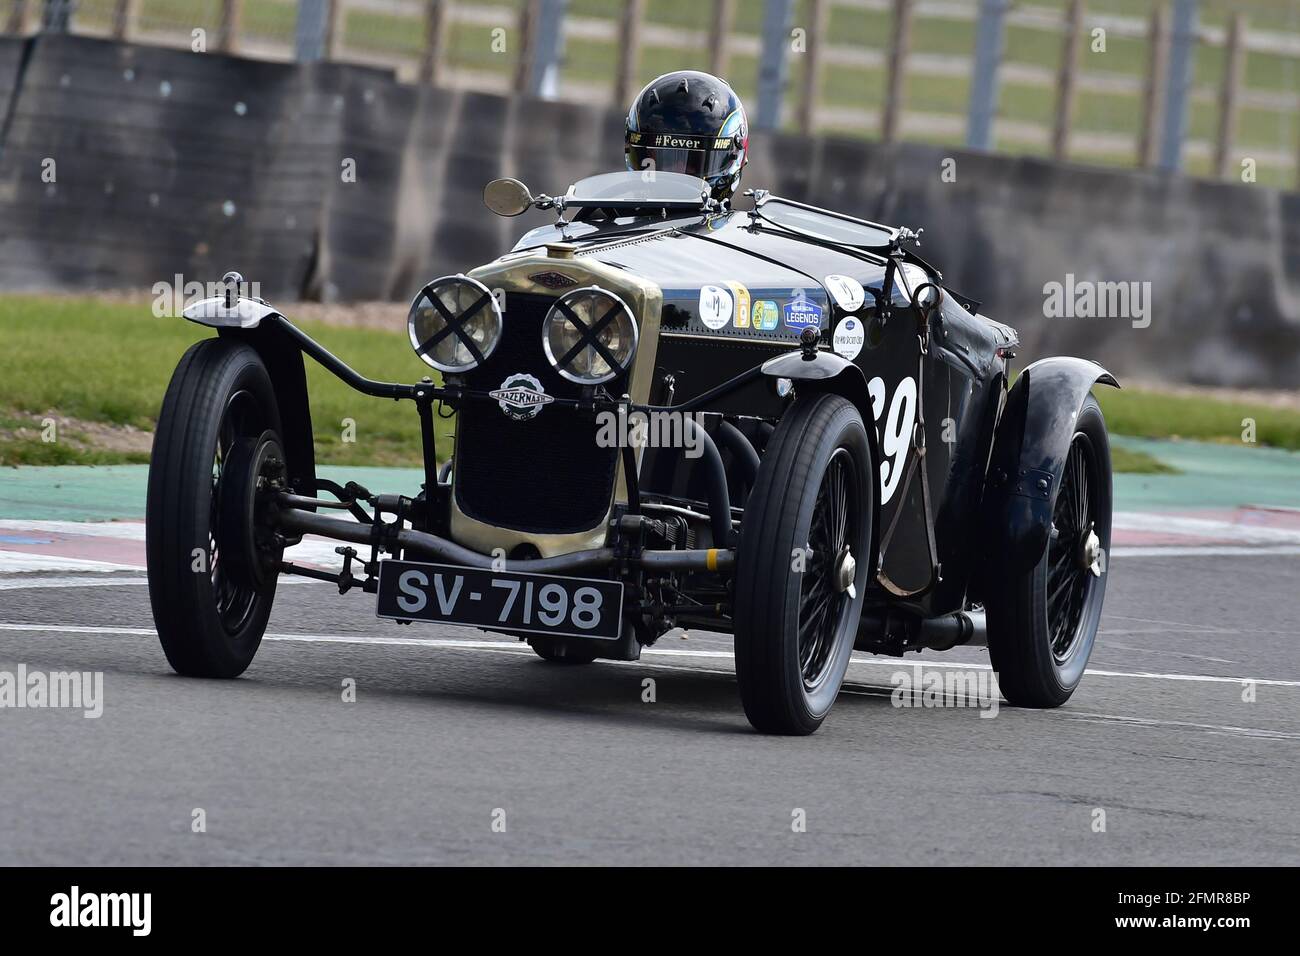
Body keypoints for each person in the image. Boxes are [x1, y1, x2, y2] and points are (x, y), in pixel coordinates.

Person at [624, 70, 749, 206]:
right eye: (666, 162)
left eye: (693, 165)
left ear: (735, 156)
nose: (677, 178)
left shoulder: (752, 225)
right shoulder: (609, 220)